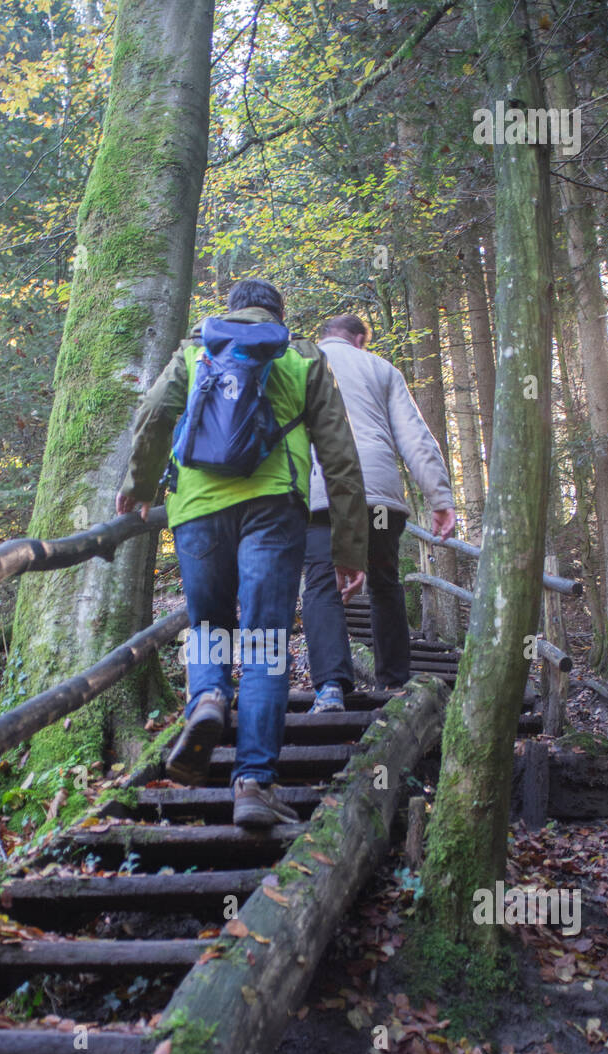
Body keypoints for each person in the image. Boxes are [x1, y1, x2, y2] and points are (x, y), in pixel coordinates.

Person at [116, 280, 369, 827]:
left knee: (209, 624)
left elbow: (156, 413)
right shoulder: (303, 355)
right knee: (266, 640)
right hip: (274, 507)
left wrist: (138, 486)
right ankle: (253, 781)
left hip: (198, 507)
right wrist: (349, 549)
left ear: (231, 310)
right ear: (280, 312)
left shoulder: (198, 346)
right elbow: (341, 458)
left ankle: (208, 698)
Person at [303, 314, 456, 710]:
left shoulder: (302, 361)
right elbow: (415, 437)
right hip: (380, 499)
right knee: (385, 583)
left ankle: (332, 686)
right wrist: (440, 498)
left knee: (322, 584)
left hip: (323, 494)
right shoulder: (381, 368)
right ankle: (394, 684)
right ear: (359, 339)